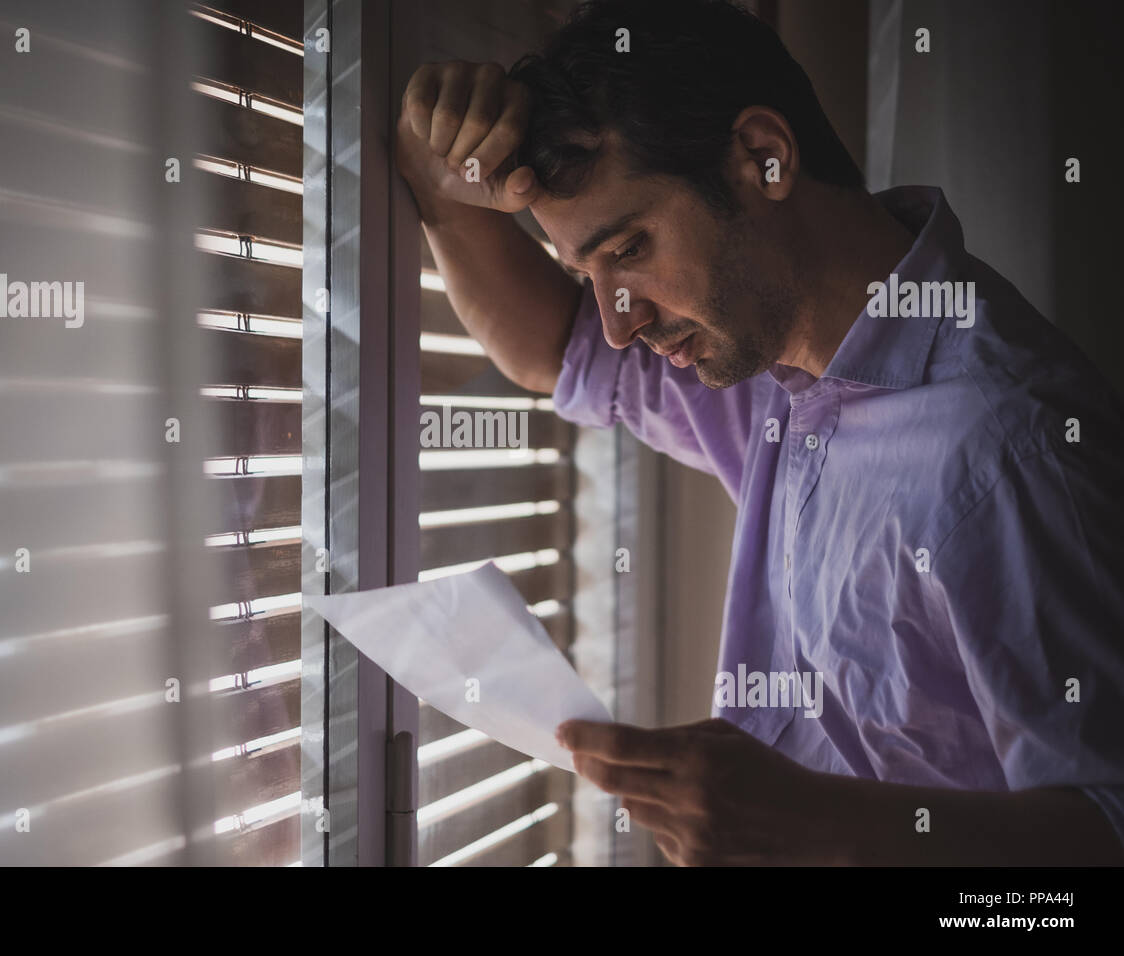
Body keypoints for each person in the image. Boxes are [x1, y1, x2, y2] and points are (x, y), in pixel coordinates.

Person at [395, 0, 1124, 865]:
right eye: (586, 271)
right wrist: (433, 164)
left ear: (763, 158)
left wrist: (822, 832)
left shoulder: (1011, 447)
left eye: (628, 250)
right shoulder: (775, 363)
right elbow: (554, 348)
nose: (619, 322)